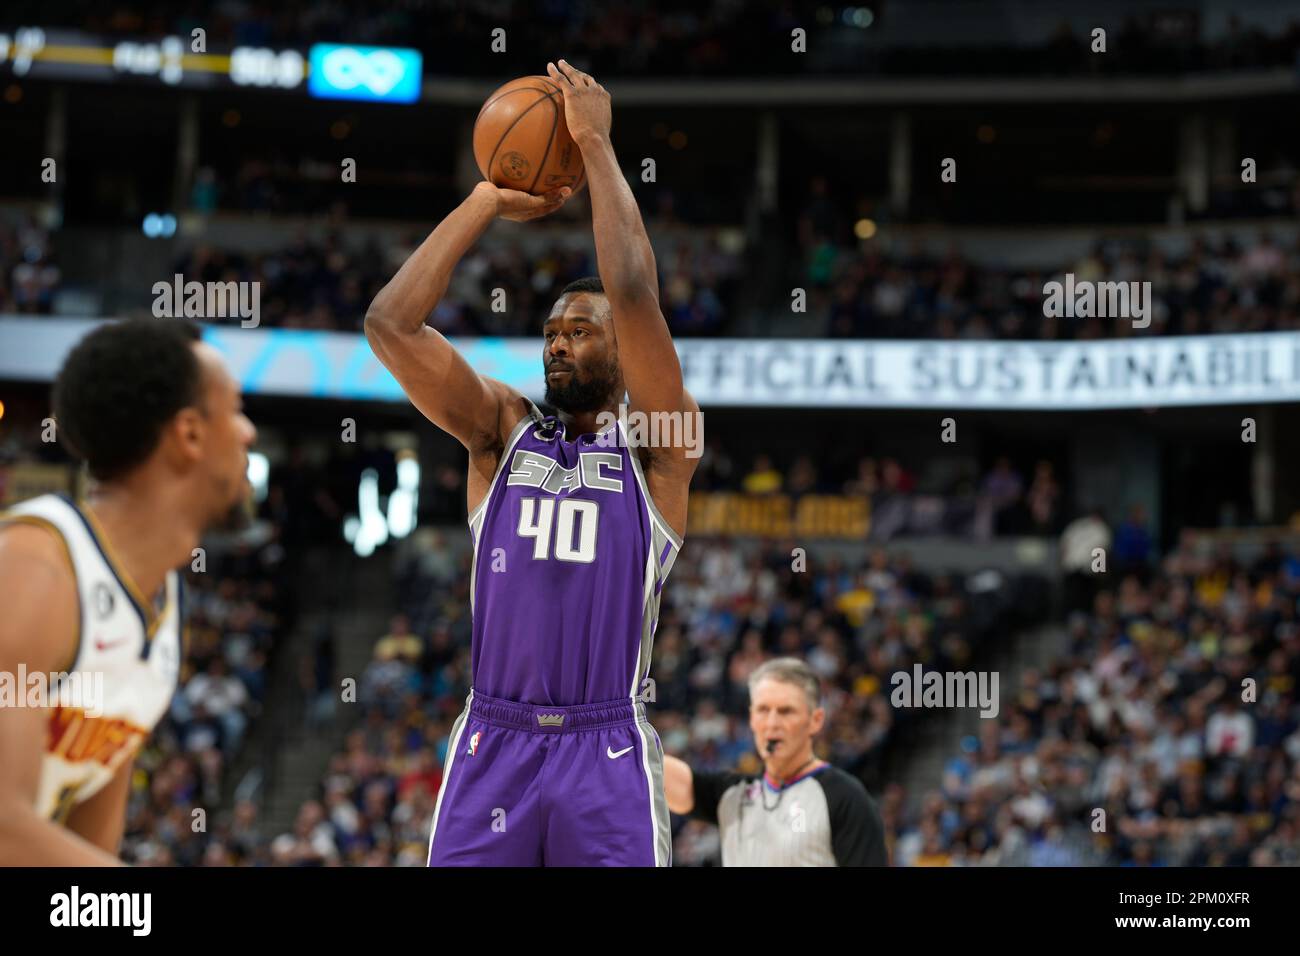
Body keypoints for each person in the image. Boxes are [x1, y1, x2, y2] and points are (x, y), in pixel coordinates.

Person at [366, 59, 699, 866]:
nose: (558, 341)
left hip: (606, 747)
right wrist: (484, 199)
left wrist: (593, 145)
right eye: (551, 331)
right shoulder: (501, 432)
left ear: (623, 349)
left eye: (580, 330)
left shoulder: (661, 448)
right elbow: (390, 325)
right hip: (494, 740)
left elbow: (631, 287)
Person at [0, 318, 256, 864]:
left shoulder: (159, 608)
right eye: (234, 411)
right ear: (188, 435)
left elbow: (84, 857)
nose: (248, 433)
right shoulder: (35, 568)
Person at [663, 658, 888, 866]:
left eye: (786, 711)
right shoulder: (735, 794)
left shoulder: (845, 797)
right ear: (751, 719)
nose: (772, 723)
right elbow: (659, 774)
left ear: (815, 720)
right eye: (763, 710)